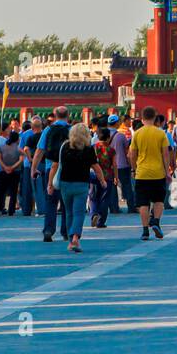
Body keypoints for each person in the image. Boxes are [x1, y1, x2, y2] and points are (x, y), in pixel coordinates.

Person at [49, 123, 105, 253]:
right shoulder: (88, 149)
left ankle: (70, 240)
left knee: (68, 212)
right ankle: (75, 237)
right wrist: (102, 180)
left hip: (65, 184)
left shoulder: (64, 147)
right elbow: (96, 167)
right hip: (81, 184)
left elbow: (55, 166)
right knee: (79, 212)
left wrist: (50, 184)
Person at [129, 106, 173, 239]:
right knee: (159, 200)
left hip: (142, 173)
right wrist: (167, 171)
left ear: (142, 119)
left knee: (143, 203)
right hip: (158, 173)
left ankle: (145, 231)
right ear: (154, 118)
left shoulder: (137, 134)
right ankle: (156, 222)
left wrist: (134, 168)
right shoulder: (161, 133)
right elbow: (166, 155)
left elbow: (132, 155)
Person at [32, 106, 72, 242]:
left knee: (51, 200)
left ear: (54, 115)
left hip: (50, 169)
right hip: (67, 168)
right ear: (68, 115)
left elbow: (39, 151)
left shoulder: (48, 130)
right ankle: (66, 231)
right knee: (67, 201)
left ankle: (48, 230)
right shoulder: (71, 130)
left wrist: (33, 168)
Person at [108, 115, 134, 212]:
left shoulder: (104, 135)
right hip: (122, 164)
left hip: (110, 166)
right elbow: (127, 150)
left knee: (113, 187)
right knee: (127, 186)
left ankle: (114, 208)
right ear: (117, 123)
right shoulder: (121, 136)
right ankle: (131, 207)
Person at [90, 127, 115, 227]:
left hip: (94, 175)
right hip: (107, 176)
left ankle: (94, 214)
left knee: (93, 197)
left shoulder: (93, 147)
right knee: (104, 199)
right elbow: (115, 164)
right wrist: (116, 177)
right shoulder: (111, 150)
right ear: (108, 138)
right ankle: (101, 222)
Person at [0, 132, 23, 216]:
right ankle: (11, 210)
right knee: (13, 191)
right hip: (15, 172)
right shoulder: (18, 148)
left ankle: (0, 208)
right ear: (17, 139)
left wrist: (5, 167)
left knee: (1, 190)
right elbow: (21, 160)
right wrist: (12, 167)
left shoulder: (1, 147)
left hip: (2, 171)